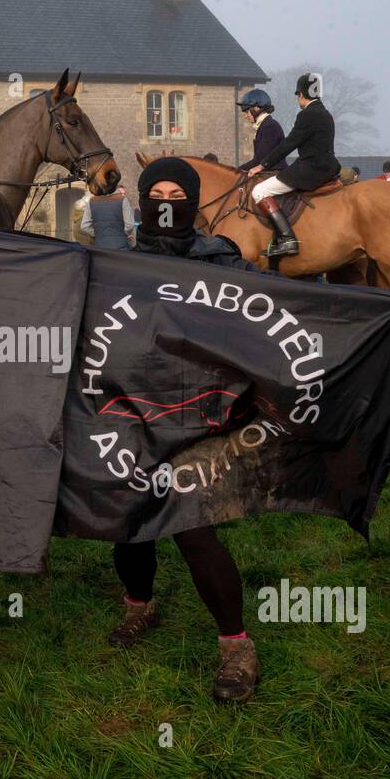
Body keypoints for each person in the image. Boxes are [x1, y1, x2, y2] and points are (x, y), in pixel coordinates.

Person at [113, 156, 264, 703]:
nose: (168, 202)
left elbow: (277, 311)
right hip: (133, 411)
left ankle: (236, 645)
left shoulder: (222, 262)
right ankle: (139, 606)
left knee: (192, 527)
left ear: (194, 201)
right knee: (127, 520)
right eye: (158, 192)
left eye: (179, 193)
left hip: (198, 417)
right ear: (144, 199)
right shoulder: (120, 264)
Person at [244, 73, 342, 258]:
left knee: (259, 191)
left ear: (301, 95)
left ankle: (288, 239)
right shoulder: (326, 114)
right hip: (329, 165)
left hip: (311, 168)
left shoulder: (306, 115)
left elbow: (289, 144)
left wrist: (262, 165)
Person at [234, 88, 286, 173]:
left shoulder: (270, 127)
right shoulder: (263, 126)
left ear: (256, 108)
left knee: (258, 187)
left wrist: (236, 171)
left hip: (275, 173)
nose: (246, 116)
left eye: (247, 112)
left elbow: (260, 160)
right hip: (267, 173)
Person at [79, 183, 135, 250]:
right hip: (120, 246)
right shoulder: (122, 199)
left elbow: (84, 226)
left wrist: (99, 234)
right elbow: (130, 225)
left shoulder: (92, 201)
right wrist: (122, 234)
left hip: (100, 246)